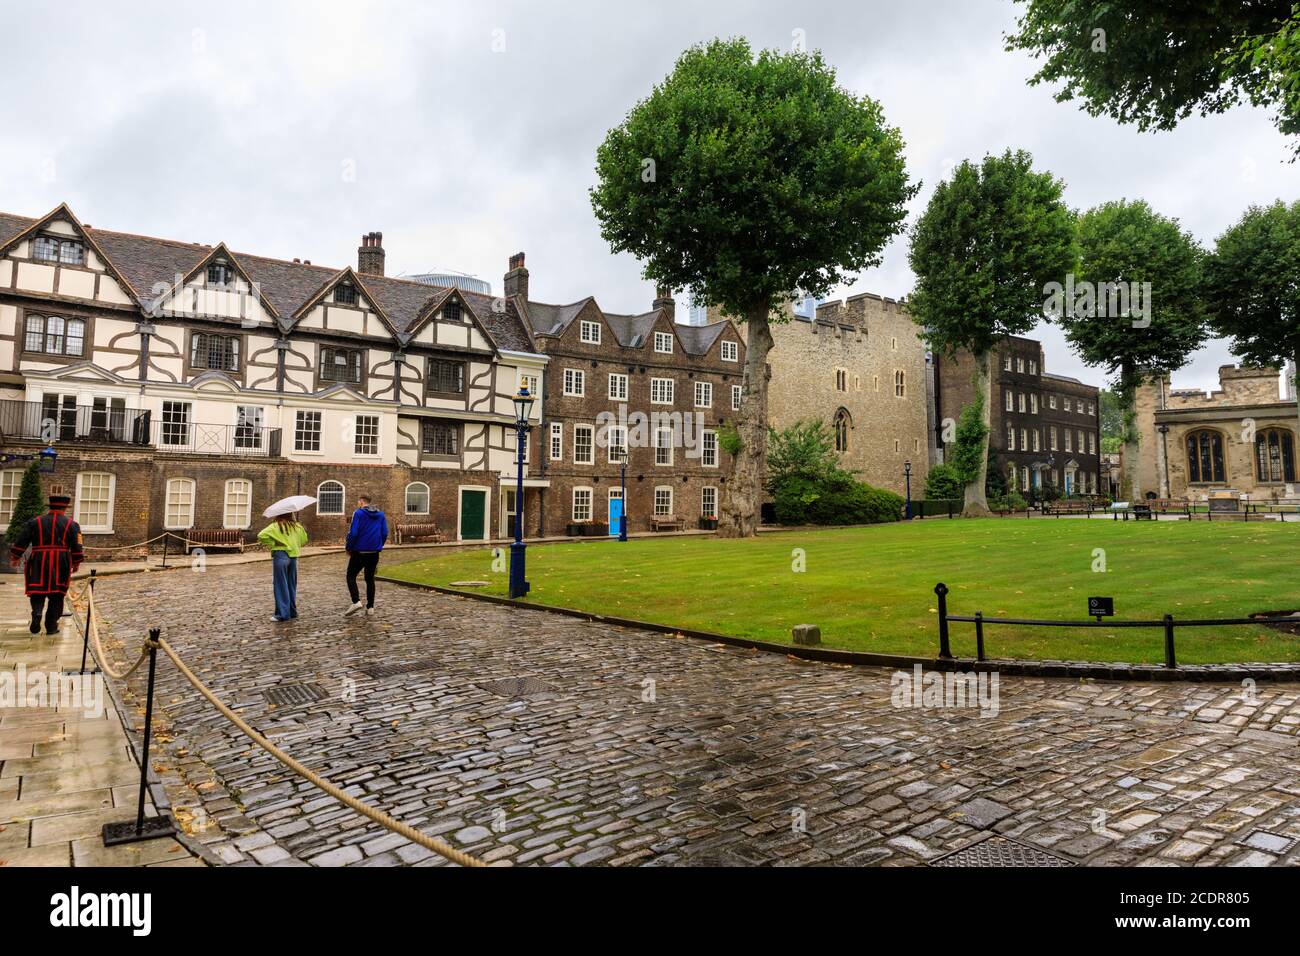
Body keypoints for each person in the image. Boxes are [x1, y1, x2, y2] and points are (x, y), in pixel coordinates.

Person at [8, 492, 85, 635]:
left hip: (38, 559)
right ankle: (51, 626)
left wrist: (15, 556)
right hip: (60, 561)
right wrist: (76, 562)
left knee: (38, 590)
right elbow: (77, 546)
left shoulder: (34, 522)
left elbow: (22, 540)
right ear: (66, 507)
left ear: (50, 506)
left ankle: (37, 613)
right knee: (57, 593)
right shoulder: (72, 525)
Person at [257, 512, 308, 623]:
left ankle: (282, 614)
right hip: (294, 557)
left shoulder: (275, 526)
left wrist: (274, 543)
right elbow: (304, 540)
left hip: (281, 555)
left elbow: (261, 535)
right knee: (291, 585)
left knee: (280, 585)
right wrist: (294, 542)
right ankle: (292, 612)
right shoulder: (297, 526)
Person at [344, 494, 388, 617]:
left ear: (361, 502)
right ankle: (370, 607)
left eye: (358, 501)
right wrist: (379, 545)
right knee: (370, 579)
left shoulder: (358, 513)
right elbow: (384, 533)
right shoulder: (381, 515)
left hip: (359, 552)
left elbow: (354, 533)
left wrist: (349, 547)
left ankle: (356, 601)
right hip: (374, 553)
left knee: (350, 576)